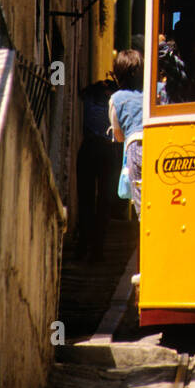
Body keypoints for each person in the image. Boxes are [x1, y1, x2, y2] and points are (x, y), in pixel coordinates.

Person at [75, 74, 117, 261]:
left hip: (89, 148)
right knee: (104, 201)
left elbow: (81, 92)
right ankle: (97, 249)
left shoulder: (89, 97)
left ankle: (84, 245)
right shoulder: (114, 100)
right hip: (107, 150)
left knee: (86, 200)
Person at [108, 48, 145, 219]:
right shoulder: (153, 92)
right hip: (158, 142)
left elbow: (118, 134)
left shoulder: (117, 99)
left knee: (141, 200)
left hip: (135, 146)